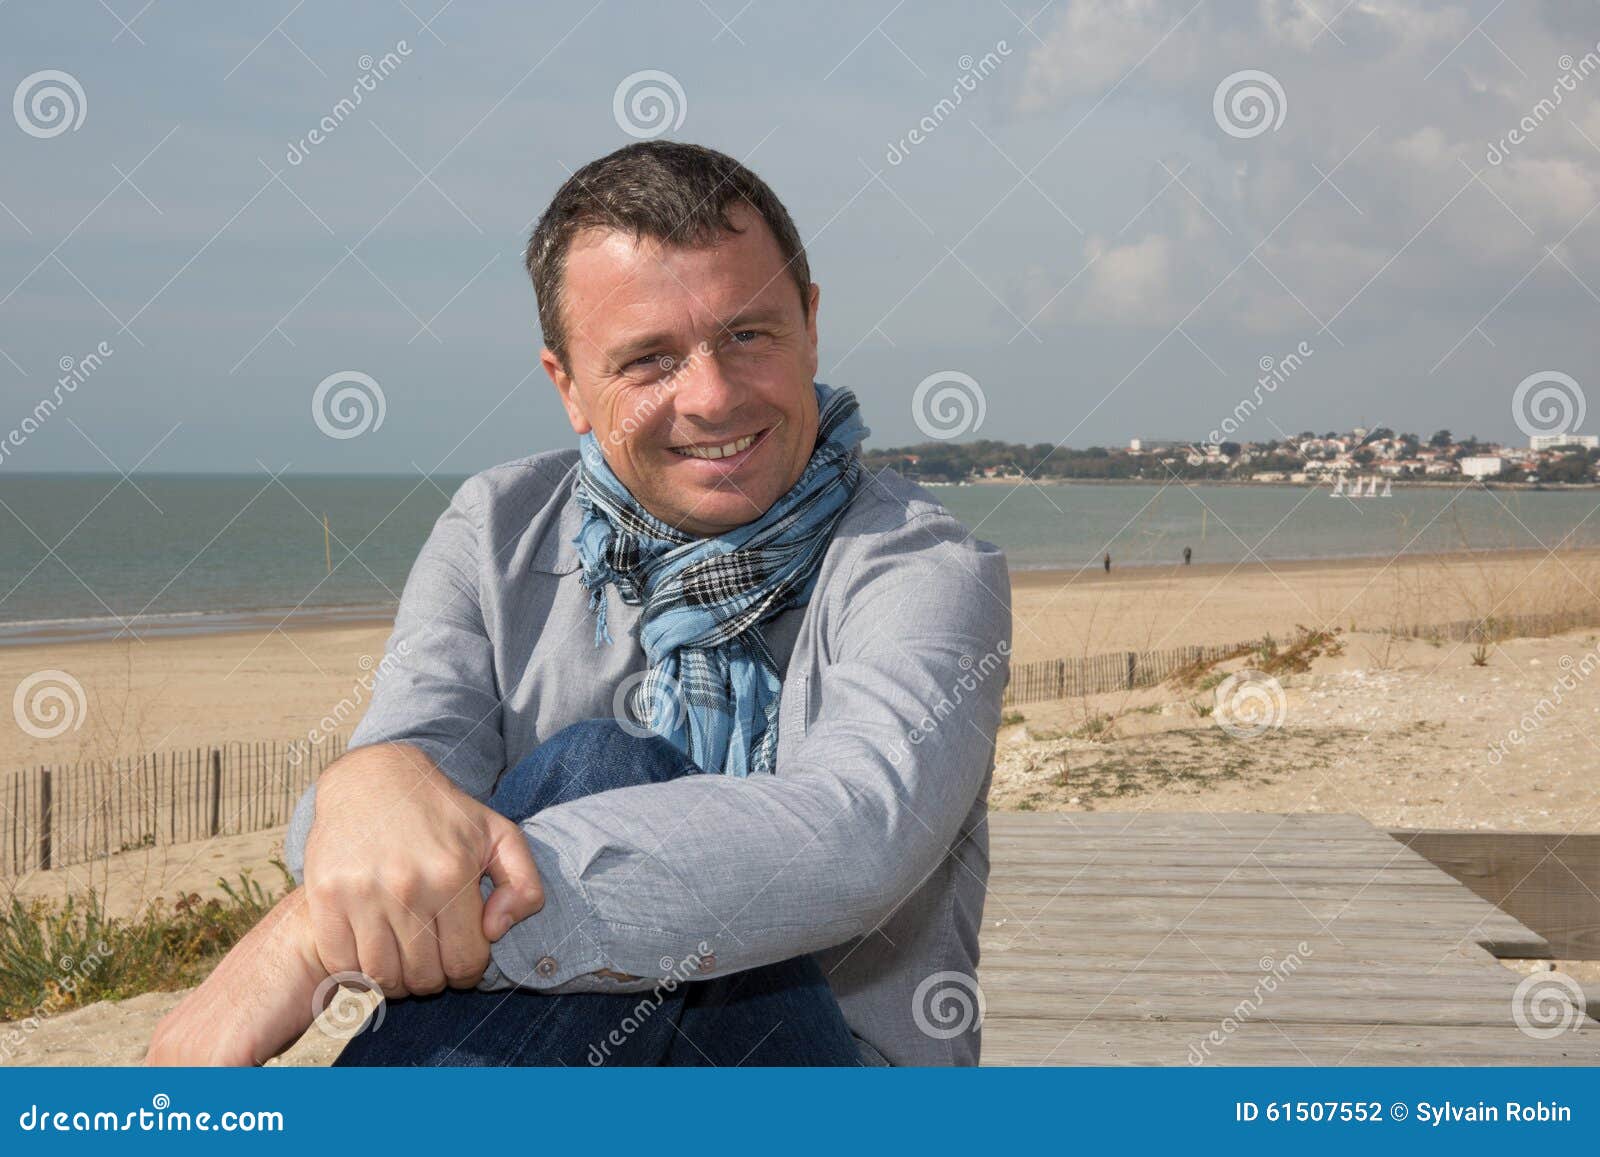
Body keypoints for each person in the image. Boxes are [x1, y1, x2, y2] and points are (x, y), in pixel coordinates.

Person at [147, 141, 1011, 1068]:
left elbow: (854, 834)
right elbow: (385, 815)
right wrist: (368, 782)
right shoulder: (499, 530)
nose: (713, 397)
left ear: (809, 322)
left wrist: (317, 935)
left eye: (749, 334)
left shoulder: (919, 566)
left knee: (609, 762)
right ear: (569, 386)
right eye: (649, 360)